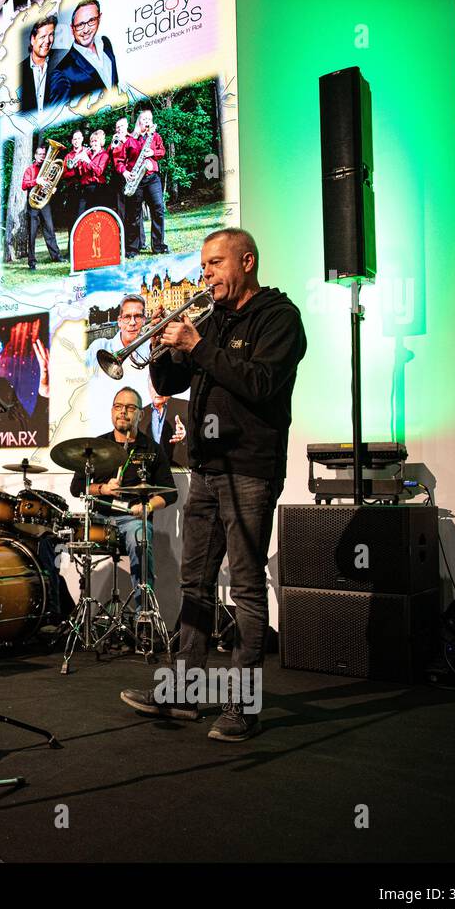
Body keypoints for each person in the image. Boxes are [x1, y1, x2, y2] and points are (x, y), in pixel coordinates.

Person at [120, 228, 307, 742]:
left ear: (246, 262)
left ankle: (244, 707)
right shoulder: (212, 318)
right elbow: (167, 384)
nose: (206, 275)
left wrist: (198, 344)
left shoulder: (279, 318)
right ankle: (182, 692)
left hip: (249, 469)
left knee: (246, 590)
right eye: (203, 266)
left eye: (215, 264)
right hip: (204, 470)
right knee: (194, 584)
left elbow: (259, 384)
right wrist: (160, 344)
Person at [67, 386, 176, 603]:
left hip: (132, 518)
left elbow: (170, 493)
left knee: (140, 537)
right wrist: (102, 489)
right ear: (111, 411)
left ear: (140, 413)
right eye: (118, 406)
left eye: (129, 407)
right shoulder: (95, 447)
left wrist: (147, 507)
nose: (123, 412)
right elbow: (77, 487)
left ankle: (143, 614)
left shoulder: (152, 449)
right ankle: (81, 611)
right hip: (100, 519)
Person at [85, 293, 152, 432]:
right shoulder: (99, 347)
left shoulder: (152, 348)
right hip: (101, 428)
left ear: (144, 320)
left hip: (140, 429)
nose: (132, 322)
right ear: (119, 321)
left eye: (138, 316)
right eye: (127, 317)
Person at [49, 0, 120, 107]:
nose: (86, 30)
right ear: (72, 28)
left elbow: (114, 85)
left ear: (99, 19)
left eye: (91, 21)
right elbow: (58, 119)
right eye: (80, 25)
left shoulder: (106, 43)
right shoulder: (61, 73)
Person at [119, 108, 169, 255]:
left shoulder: (155, 136)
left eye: (149, 118)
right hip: (136, 179)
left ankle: (158, 246)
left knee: (158, 209)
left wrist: (153, 153)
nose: (147, 121)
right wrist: (125, 172)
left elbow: (163, 151)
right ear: (139, 122)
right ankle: (133, 249)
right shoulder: (130, 139)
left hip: (152, 177)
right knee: (134, 214)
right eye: (144, 118)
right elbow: (120, 160)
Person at [21, 142, 65, 269]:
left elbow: (52, 182)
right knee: (32, 233)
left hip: (45, 203)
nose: (41, 157)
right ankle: (32, 262)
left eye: (44, 155)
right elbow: (24, 185)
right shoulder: (30, 169)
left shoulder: (49, 167)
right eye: (39, 154)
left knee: (50, 230)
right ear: (35, 155)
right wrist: (36, 181)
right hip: (33, 203)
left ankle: (56, 256)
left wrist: (52, 188)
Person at [140, 378, 189, 468]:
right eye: (154, 386)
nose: (158, 391)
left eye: (161, 386)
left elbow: (202, 441)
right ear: (148, 387)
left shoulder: (186, 407)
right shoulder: (140, 414)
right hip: (149, 473)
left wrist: (185, 436)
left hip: (180, 471)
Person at [19, 14, 58, 112]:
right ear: (33, 39)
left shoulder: (62, 61)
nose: (47, 41)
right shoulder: (18, 72)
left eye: (51, 35)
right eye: (43, 36)